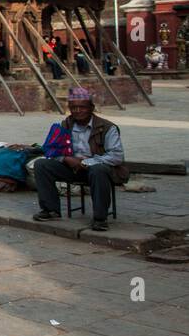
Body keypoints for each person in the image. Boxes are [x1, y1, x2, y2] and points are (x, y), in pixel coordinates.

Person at [32, 86, 127, 232]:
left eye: (82, 107)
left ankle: (100, 218)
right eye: (73, 108)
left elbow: (116, 156)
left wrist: (85, 162)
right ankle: (50, 210)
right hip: (73, 168)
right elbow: (52, 149)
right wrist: (66, 159)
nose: (77, 111)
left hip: (97, 169)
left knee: (99, 170)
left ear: (91, 108)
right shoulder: (66, 125)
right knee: (41, 164)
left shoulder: (107, 127)